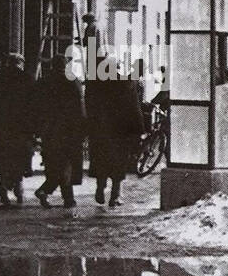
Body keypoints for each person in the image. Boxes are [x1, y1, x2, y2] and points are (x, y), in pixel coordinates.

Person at [85, 59, 144, 207]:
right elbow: (134, 109)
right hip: (119, 132)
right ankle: (115, 196)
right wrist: (139, 130)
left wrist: (87, 128)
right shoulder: (125, 84)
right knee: (118, 163)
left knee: (101, 161)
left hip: (100, 131)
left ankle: (100, 188)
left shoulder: (94, 85)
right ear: (117, 69)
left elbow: (88, 107)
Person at [33, 57, 86, 208]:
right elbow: (80, 108)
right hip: (69, 130)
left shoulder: (43, 82)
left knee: (54, 164)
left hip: (49, 130)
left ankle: (66, 198)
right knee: (66, 164)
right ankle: (53, 193)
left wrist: (37, 130)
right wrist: (82, 128)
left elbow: (35, 108)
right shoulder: (73, 82)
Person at [0, 54, 35, 205]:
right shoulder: (28, 79)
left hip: (1, 126)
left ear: (7, 63)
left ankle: (4, 186)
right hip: (21, 126)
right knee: (20, 157)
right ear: (21, 64)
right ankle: (18, 189)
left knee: (4, 157)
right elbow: (34, 104)